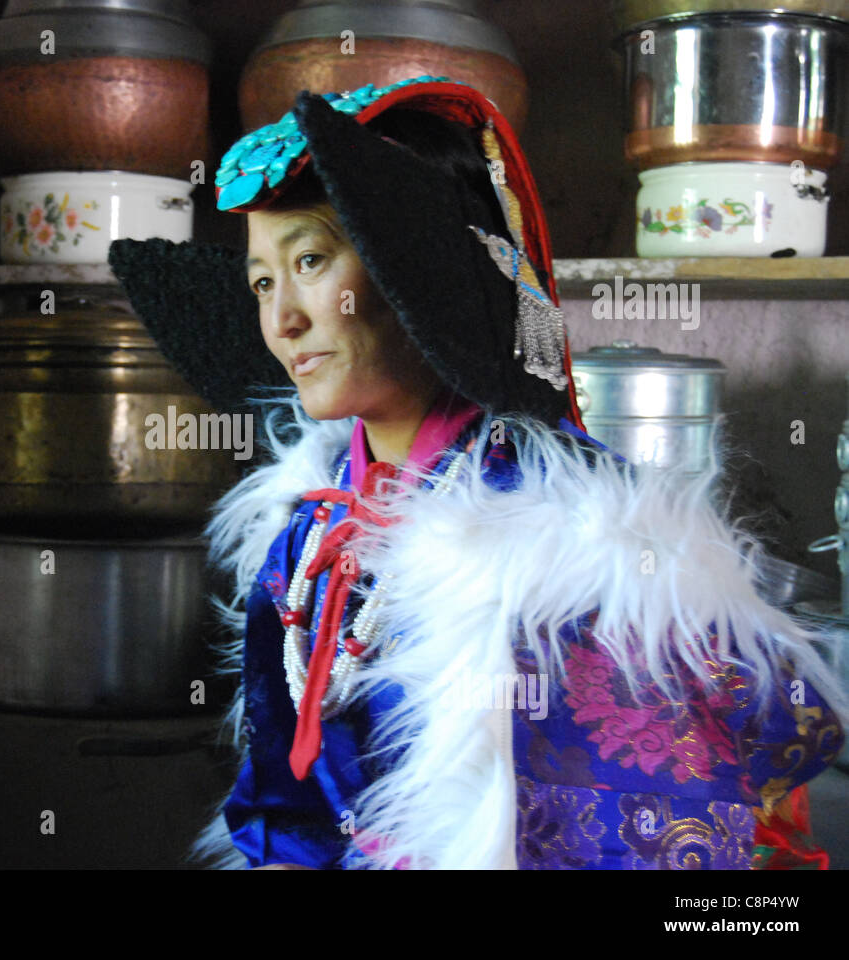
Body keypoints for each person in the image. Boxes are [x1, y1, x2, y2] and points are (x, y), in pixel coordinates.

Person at [107, 77, 847, 869]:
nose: (281, 319)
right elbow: (278, 815)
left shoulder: (567, 557)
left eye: (312, 259)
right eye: (261, 281)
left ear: (420, 269)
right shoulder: (306, 541)